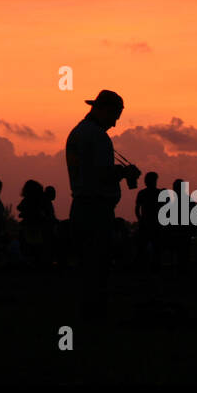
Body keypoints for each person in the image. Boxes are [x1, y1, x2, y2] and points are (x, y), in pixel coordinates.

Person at [65, 90, 138, 316]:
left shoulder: (78, 132)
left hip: (81, 205)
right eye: (115, 116)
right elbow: (102, 175)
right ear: (103, 110)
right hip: (96, 209)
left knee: (86, 264)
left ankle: (86, 311)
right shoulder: (97, 137)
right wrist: (124, 174)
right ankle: (94, 312)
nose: (115, 123)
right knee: (98, 263)